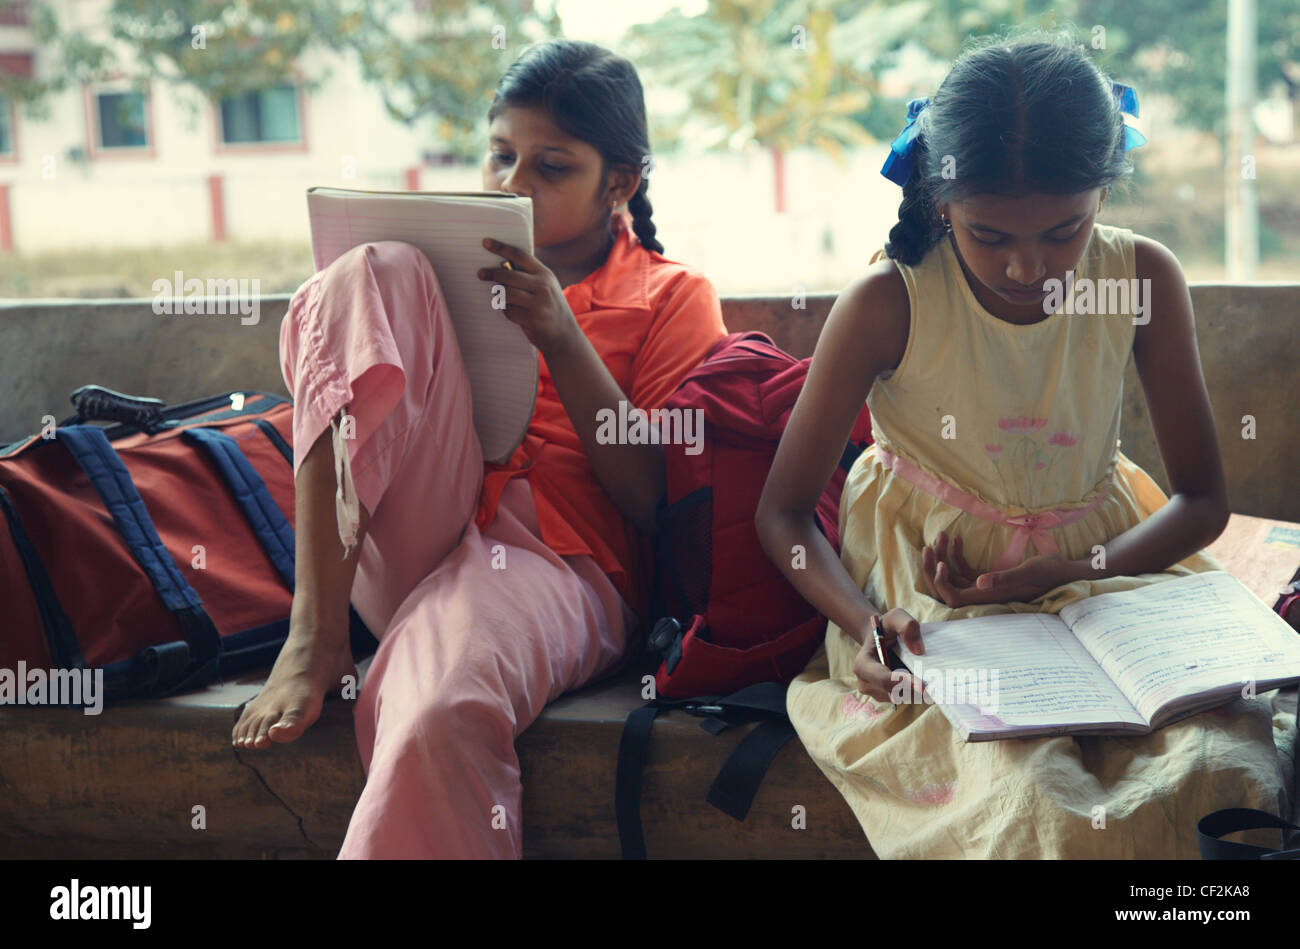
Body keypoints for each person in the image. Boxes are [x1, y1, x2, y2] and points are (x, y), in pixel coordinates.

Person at [755, 32, 1290, 858]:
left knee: (1222, 769)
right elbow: (783, 515)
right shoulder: (888, 301)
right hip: (926, 610)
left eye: (1064, 230)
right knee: (1025, 795)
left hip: (1115, 573)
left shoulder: (1143, 278)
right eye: (990, 236)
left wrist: (1081, 569)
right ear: (941, 201)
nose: (1027, 266)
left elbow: (1201, 500)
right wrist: (870, 629)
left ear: (1103, 196)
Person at [230, 39, 728, 859]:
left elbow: (658, 502)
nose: (512, 183)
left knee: (437, 707)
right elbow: (359, 385)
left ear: (621, 184)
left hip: (562, 565)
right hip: (418, 530)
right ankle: (313, 635)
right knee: (366, 268)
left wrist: (562, 337)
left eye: (551, 167)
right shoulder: (442, 266)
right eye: (501, 156)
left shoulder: (673, 296)